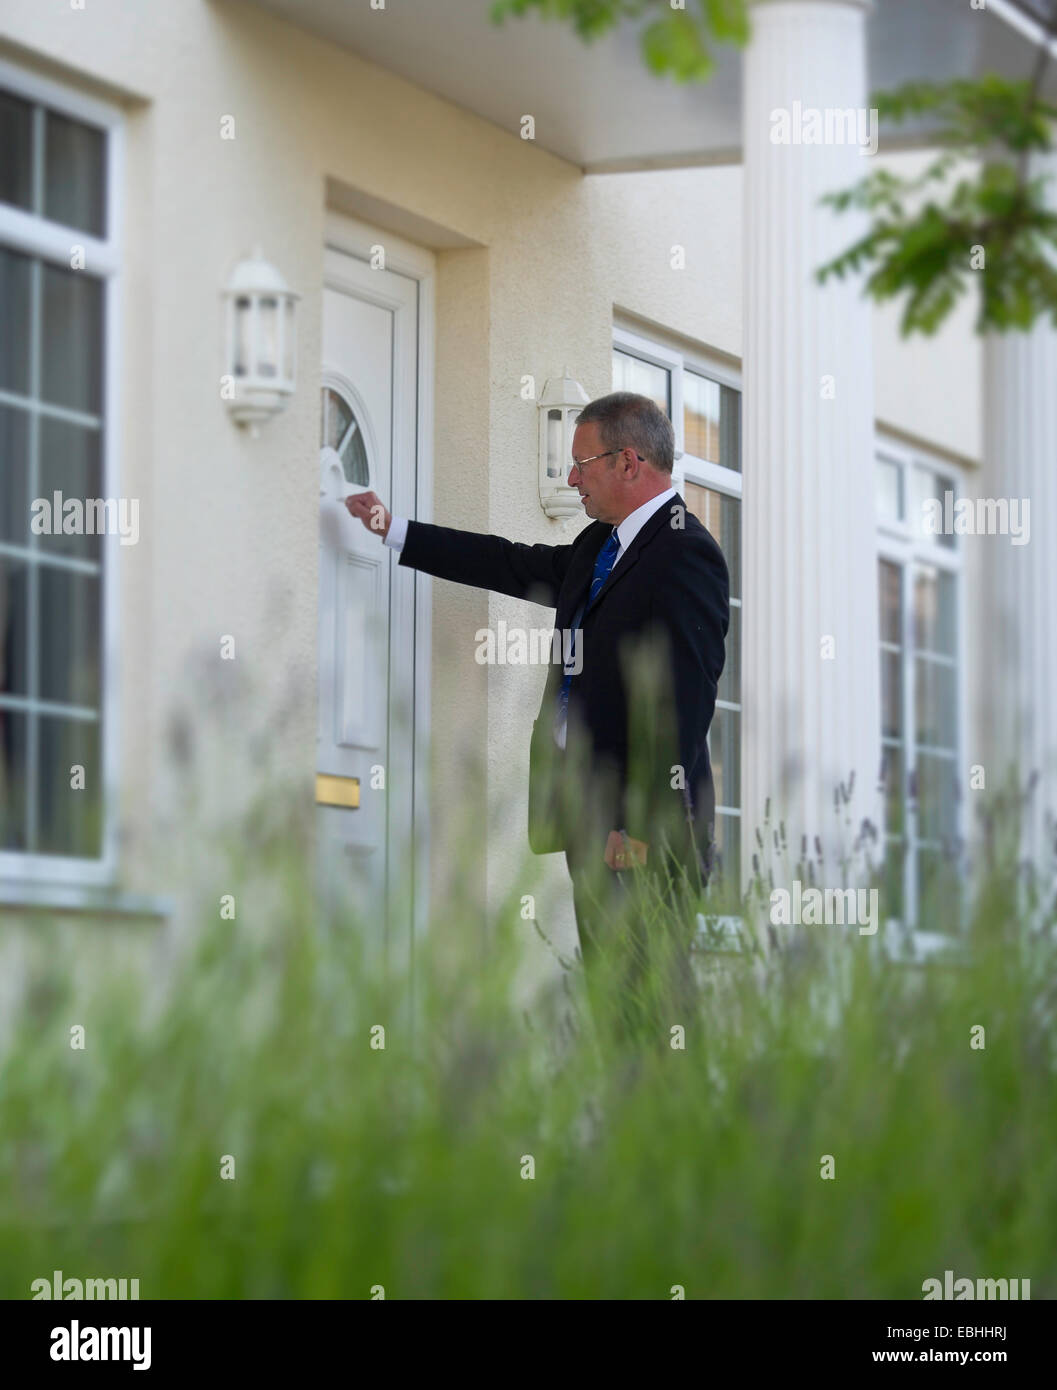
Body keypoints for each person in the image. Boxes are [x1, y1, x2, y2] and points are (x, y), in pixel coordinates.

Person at [346, 392, 729, 1055]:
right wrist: (395, 529)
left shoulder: (685, 553)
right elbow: (511, 563)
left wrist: (639, 828)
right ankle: (625, 1144)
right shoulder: (595, 547)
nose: (572, 478)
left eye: (582, 464)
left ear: (629, 462)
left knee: (654, 1000)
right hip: (587, 814)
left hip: (643, 833)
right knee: (614, 997)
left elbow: (684, 700)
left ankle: (680, 1148)